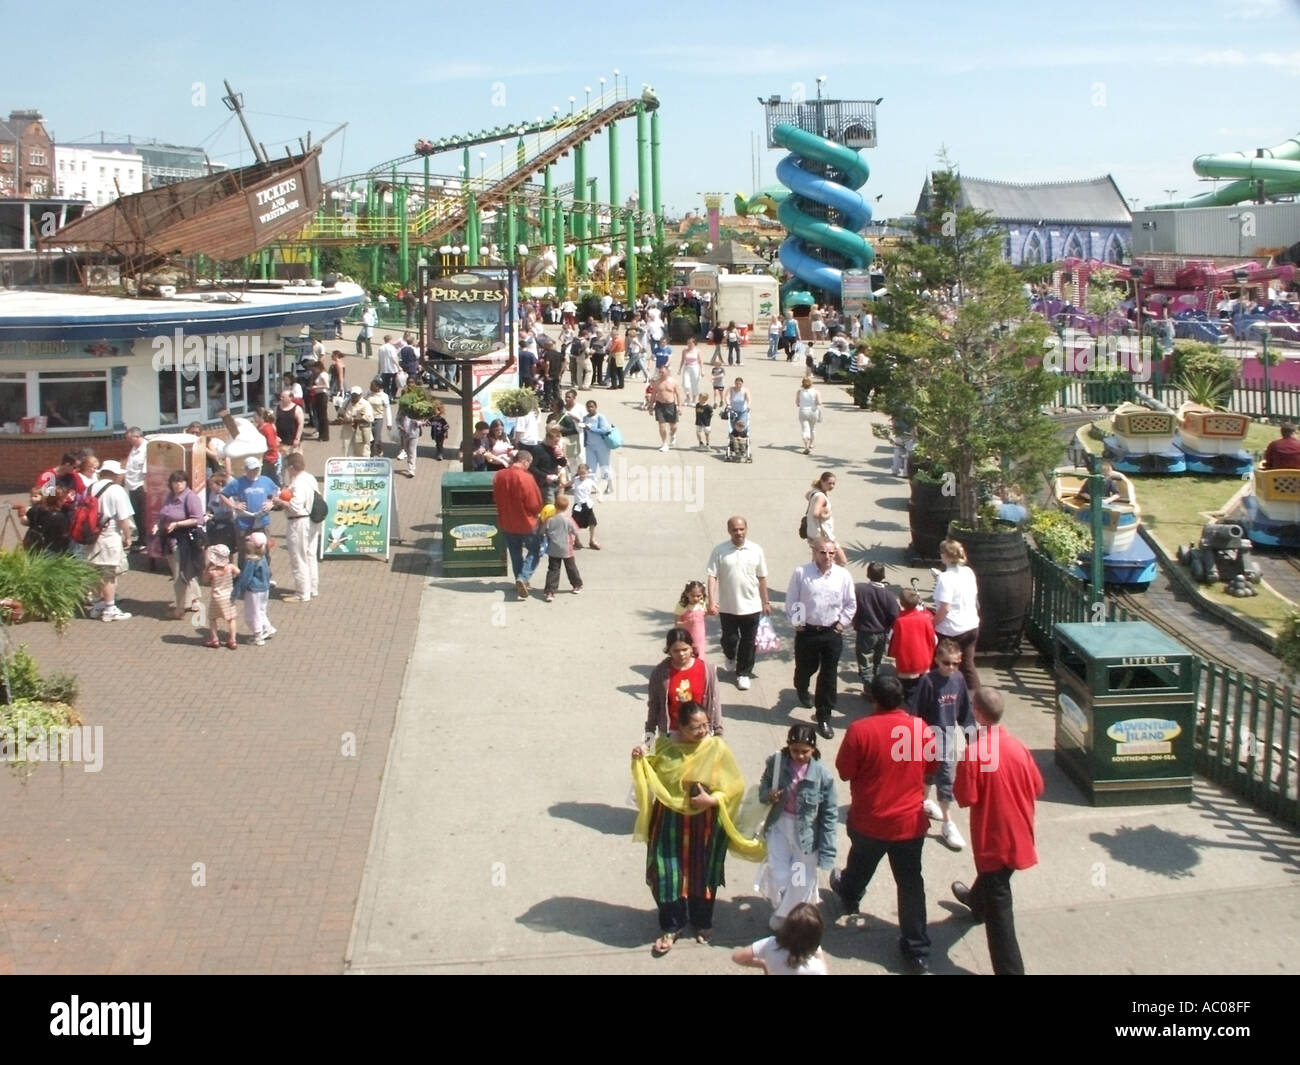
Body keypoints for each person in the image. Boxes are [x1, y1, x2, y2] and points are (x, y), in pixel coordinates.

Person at [832, 674, 935, 975]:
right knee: (911, 883)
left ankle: (849, 894)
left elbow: (844, 770)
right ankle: (917, 949)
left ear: (873, 699)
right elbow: (931, 767)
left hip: (870, 821)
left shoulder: (860, 730)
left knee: (861, 863)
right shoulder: (921, 729)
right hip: (909, 824)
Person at [631, 701, 748, 954]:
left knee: (702, 874)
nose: (703, 731)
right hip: (669, 821)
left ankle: (702, 920)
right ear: (680, 727)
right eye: (695, 727)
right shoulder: (664, 746)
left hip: (704, 822)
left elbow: (734, 786)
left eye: (705, 725)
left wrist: (712, 799)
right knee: (666, 873)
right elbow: (648, 767)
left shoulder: (716, 749)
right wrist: (639, 758)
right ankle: (672, 925)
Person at [952, 688, 1045, 976]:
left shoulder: (975, 753)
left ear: (978, 714)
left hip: (993, 842)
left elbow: (965, 798)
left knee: (1000, 916)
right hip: (1020, 836)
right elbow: (1038, 787)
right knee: (996, 881)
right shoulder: (1018, 747)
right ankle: (975, 902)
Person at [756, 724, 837, 929]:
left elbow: (829, 815)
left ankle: (789, 918)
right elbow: (764, 785)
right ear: (788, 747)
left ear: (814, 750)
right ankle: (789, 910)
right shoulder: (776, 763)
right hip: (779, 826)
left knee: (799, 879)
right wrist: (768, 795)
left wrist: (827, 850)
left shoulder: (823, 776)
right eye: (795, 751)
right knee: (779, 873)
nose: (799, 756)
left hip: (805, 836)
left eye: (805, 752)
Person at [786, 538, 856, 740]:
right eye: (823, 553)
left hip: (831, 633)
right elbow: (793, 598)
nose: (827, 557)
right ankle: (801, 685)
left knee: (828, 675)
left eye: (831, 553)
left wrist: (842, 624)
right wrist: (796, 621)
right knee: (806, 668)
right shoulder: (802, 573)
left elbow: (850, 603)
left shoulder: (843, 576)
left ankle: (824, 715)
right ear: (815, 553)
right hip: (807, 631)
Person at [913, 638, 973, 851]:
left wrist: (971, 736)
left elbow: (965, 710)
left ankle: (932, 807)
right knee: (935, 775)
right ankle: (947, 822)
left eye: (955, 663)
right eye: (946, 662)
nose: (951, 667)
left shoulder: (958, 680)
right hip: (929, 737)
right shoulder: (928, 681)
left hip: (947, 737)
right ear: (937, 660)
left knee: (944, 776)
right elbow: (917, 712)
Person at [705, 516, 771, 692]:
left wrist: (765, 601)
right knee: (730, 639)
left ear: (746, 529)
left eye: (741, 529)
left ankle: (743, 673)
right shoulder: (720, 550)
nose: (738, 533)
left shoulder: (756, 550)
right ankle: (729, 655)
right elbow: (712, 576)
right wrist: (711, 601)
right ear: (729, 531)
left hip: (752, 606)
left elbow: (762, 577)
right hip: (728, 606)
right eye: (735, 530)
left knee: (749, 641)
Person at [644, 627, 723, 736]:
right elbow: (654, 705)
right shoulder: (660, 673)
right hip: (671, 734)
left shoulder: (707, 670)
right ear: (669, 651)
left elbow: (715, 703)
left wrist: (718, 733)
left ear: (692, 648)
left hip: (701, 733)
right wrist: (649, 739)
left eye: (685, 649)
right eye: (676, 650)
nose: (681, 654)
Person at [85, 459, 134, 622]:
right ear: (114, 475)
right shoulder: (117, 491)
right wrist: (128, 537)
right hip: (109, 535)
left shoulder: (89, 488)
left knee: (95, 572)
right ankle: (109, 607)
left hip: (90, 536)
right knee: (109, 573)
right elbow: (123, 519)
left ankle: (98, 604)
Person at [152, 470, 205, 619]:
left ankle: (180, 608)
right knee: (186, 571)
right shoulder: (170, 496)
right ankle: (194, 599)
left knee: (179, 575)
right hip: (169, 539)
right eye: (175, 482)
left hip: (183, 541)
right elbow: (164, 515)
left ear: (186, 482)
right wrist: (158, 525)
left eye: (181, 481)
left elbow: (198, 519)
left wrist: (177, 524)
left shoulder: (190, 497)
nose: (178, 485)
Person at [492, 450, 543, 601]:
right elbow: (534, 503)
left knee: (515, 553)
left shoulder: (499, 476)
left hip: (507, 521)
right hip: (526, 522)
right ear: (526, 461)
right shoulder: (526, 478)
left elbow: (495, 498)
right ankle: (523, 577)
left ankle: (520, 581)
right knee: (535, 550)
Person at [934, 538, 981, 693]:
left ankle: (941, 696)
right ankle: (976, 700)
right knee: (968, 664)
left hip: (951, 629)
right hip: (971, 624)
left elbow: (945, 608)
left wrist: (932, 623)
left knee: (943, 663)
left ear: (945, 556)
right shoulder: (968, 572)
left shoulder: (944, 578)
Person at [731, 902, 828, 975]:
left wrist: (763, 964)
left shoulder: (770, 944)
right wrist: (819, 953)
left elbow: (737, 957)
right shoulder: (815, 968)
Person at [277, 452, 321, 604]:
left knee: (298, 558)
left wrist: (280, 501)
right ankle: (313, 588)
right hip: (312, 521)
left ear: (291, 467)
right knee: (310, 555)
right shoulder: (310, 478)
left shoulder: (298, 483)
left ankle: (302, 592)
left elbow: (295, 506)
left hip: (299, 522)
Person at [221, 456, 277, 566]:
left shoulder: (266, 480)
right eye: (252, 469)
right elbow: (223, 495)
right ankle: (243, 576)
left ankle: (265, 575)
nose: (254, 471)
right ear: (246, 469)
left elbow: (275, 491)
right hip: (244, 523)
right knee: (244, 551)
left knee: (264, 549)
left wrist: (271, 503)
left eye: (256, 469)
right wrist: (234, 505)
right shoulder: (237, 482)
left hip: (262, 521)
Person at [854, 561, 900, 689]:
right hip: (882, 633)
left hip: (865, 632)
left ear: (868, 574)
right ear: (884, 576)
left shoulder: (859, 590)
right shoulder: (889, 595)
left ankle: (869, 687)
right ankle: (877, 682)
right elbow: (895, 615)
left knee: (865, 660)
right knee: (877, 661)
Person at [889, 587, 938, 706]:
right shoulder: (925, 618)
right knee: (923, 687)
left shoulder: (900, 621)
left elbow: (894, 642)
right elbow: (933, 640)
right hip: (924, 659)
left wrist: (893, 654)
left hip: (907, 662)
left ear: (901, 603)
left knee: (909, 691)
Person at [233, 530, 274, 646]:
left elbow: (245, 577)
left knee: (252, 613)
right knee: (261, 611)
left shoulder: (251, 560)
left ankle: (258, 636)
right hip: (264, 589)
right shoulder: (263, 557)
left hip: (254, 590)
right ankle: (267, 627)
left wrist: (236, 592)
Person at [541, 493, 583, 601]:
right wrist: (576, 540)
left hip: (553, 549)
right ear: (567, 507)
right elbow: (576, 531)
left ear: (555, 506)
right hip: (567, 548)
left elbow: (542, 531)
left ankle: (550, 591)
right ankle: (577, 585)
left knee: (553, 569)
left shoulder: (549, 520)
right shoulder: (568, 519)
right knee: (571, 568)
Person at [804, 471, 847, 567]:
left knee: (816, 562)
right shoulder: (821, 497)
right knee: (842, 561)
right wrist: (827, 515)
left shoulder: (814, 492)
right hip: (824, 535)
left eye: (834, 483)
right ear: (822, 482)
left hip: (813, 533)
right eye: (829, 483)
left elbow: (807, 496)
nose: (832, 486)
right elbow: (816, 513)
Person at [201, 543, 239, 649]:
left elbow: (204, 581)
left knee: (212, 618)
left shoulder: (212, 572)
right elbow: (239, 572)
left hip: (217, 598)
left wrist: (207, 568)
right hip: (229, 597)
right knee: (231, 619)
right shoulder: (230, 567)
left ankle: (214, 639)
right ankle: (232, 640)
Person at [22, 483, 71, 555]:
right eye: (64, 499)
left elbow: (26, 521)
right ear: (59, 501)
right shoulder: (60, 517)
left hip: (33, 545)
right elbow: (63, 536)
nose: (66, 500)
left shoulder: (36, 509)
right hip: (50, 550)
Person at [582, 400, 615, 498]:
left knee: (604, 466)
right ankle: (591, 486)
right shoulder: (585, 418)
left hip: (601, 446)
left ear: (596, 407)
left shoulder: (600, 417)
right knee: (590, 467)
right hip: (590, 446)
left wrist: (591, 429)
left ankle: (609, 485)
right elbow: (585, 432)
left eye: (592, 406)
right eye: (588, 407)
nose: (590, 408)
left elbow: (605, 430)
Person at [124, 427, 147, 551]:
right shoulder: (134, 448)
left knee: (142, 514)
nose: (128, 441)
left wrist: (145, 487)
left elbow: (146, 470)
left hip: (140, 485)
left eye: (129, 439)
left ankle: (145, 540)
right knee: (136, 514)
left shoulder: (146, 449)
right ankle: (141, 538)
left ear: (136, 436)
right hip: (132, 485)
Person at [569, 463, 601, 550]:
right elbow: (566, 484)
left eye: (584, 473)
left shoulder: (590, 481)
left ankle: (592, 540)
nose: (582, 475)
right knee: (574, 524)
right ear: (578, 473)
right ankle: (577, 541)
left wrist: (600, 497)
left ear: (587, 473)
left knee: (592, 522)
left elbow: (598, 490)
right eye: (580, 473)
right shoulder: (575, 480)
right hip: (578, 506)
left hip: (587, 505)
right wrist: (561, 484)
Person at [337, 387, 374, 458]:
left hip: (361, 431)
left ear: (360, 395)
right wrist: (340, 418)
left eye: (356, 395)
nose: (354, 397)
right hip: (348, 430)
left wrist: (353, 420)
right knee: (347, 451)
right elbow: (340, 412)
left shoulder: (365, 404)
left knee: (363, 453)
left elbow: (369, 418)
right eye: (353, 395)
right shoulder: (346, 402)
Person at [674, 581, 708, 654]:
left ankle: (700, 664)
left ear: (702, 595)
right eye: (692, 595)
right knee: (687, 655)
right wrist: (687, 623)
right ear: (687, 594)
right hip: (685, 638)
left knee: (699, 653)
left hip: (699, 637)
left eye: (698, 596)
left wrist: (711, 612)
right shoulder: (682, 606)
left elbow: (703, 616)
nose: (696, 598)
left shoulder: (702, 604)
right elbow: (677, 624)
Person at [366, 378, 393, 458]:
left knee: (376, 439)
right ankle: (371, 455)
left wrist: (389, 423)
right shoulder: (368, 394)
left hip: (378, 419)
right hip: (368, 419)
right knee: (369, 438)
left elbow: (388, 409)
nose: (370, 387)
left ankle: (379, 451)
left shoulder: (384, 396)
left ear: (378, 387)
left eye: (372, 385)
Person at [795, 375, 822, 455]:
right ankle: (811, 444)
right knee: (812, 429)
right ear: (811, 383)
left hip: (803, 411)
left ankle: (806, 446)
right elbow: (819, 402)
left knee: (805, 429)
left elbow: (797, 403)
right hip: (813, 411)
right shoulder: (816, 391)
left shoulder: (799, 392)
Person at [275, 389, 304, 455]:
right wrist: (275, 436)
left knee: (295, 460)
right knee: (282, 460)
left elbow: (300, 424)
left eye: (283, 397)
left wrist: (297, 438)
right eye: (281, 397)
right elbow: (273, 422)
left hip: (292, 439)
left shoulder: (297, 409)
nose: (281, 398)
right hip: (281, 440)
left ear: (290, 398)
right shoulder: (277, 408)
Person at [309, 361, 332, 442]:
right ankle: (321, 433)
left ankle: (324, 435)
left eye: (315, 368)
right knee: (320, 416)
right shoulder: (319, 375)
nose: (314, 370)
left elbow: (327, 386)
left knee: (323, 416)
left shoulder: (323, 375)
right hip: (318, 395)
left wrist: (316, 387)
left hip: (322, 395)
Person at [677, 338, 702, 404]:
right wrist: (679, 369)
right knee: (685, 384)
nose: (689, 344)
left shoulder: (697, 351)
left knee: (695, 384)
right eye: (688, 343)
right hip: (687, 367)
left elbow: (700, 361)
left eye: (690, 343)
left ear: (694, 343)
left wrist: (702, 371)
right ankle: (688, 397)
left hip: (695, 367)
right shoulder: (684, 351)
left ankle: (694, 400)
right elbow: (682, 360)